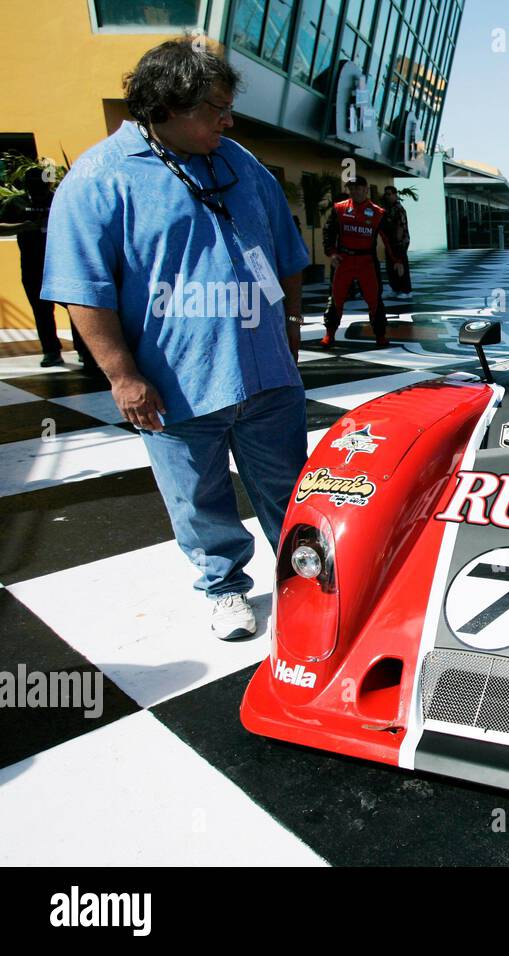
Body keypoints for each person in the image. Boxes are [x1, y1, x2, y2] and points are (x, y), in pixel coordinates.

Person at [41, 37, 310, 640]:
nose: (227, 119)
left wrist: (289, 330)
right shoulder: (99, 179)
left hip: (267, 375)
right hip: (177, 384)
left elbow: (287, 257)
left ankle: (306, 584)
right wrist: (123, 376)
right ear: (166, 105)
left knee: (292, 492)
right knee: (198, 497)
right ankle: (224, 588)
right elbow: (84, 289)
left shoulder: (242, 164)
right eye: (214, 107)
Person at [0, 166, 97, 370]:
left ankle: (84, 351)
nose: (41, 189)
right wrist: (24, 226)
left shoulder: (59, 198)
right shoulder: (16, 203)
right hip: (33, 265)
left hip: (64, 263)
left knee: (75, 307)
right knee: (41, 309)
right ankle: (51, 351)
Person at [322, 176, 400, 347]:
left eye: (359, 188)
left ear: (366, 190)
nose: (355, 191)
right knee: (336, 297)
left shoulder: (378, 213)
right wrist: (332, 254)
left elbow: (389, 239)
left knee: (374, 299)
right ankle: (329, 334)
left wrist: (397, 260)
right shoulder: (339, 209)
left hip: (367, 261)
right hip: (344, 260)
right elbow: (328, 232)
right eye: (352, 188)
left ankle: (380, 335)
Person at [379, 185, 412, 300]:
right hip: (390, 242)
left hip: (400, 242)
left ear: (394, 194)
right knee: (391, 266)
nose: (387, 196)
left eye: (389, 194)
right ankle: (396, 288)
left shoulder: (398, 209)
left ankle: (406, 290)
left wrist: (397, 242)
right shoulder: (388, 208)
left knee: (401, 265)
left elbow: (400, 226)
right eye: (386, 194)